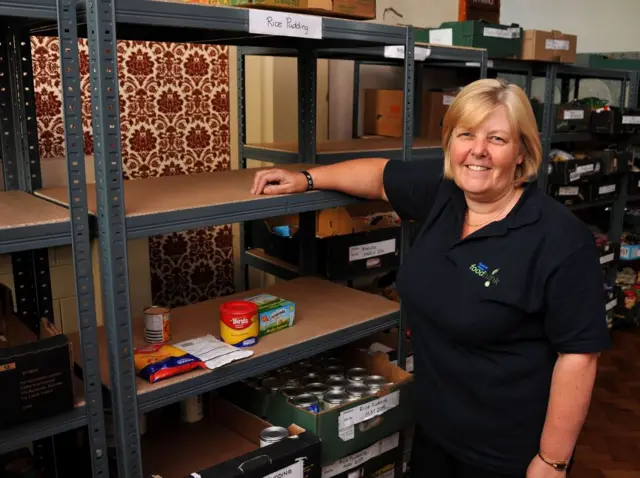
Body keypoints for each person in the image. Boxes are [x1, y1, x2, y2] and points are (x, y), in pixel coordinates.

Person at [250, 78, 610, 477]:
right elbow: (379, 176)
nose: (478, 150)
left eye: (497, 138)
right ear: (450, 142)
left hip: (507, 453)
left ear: (522, 150)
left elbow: (578, 356)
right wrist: (307, 179)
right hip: (434, 431)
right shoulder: (445, 193)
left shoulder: (560, 240)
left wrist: (552, 460)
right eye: (466, 134)